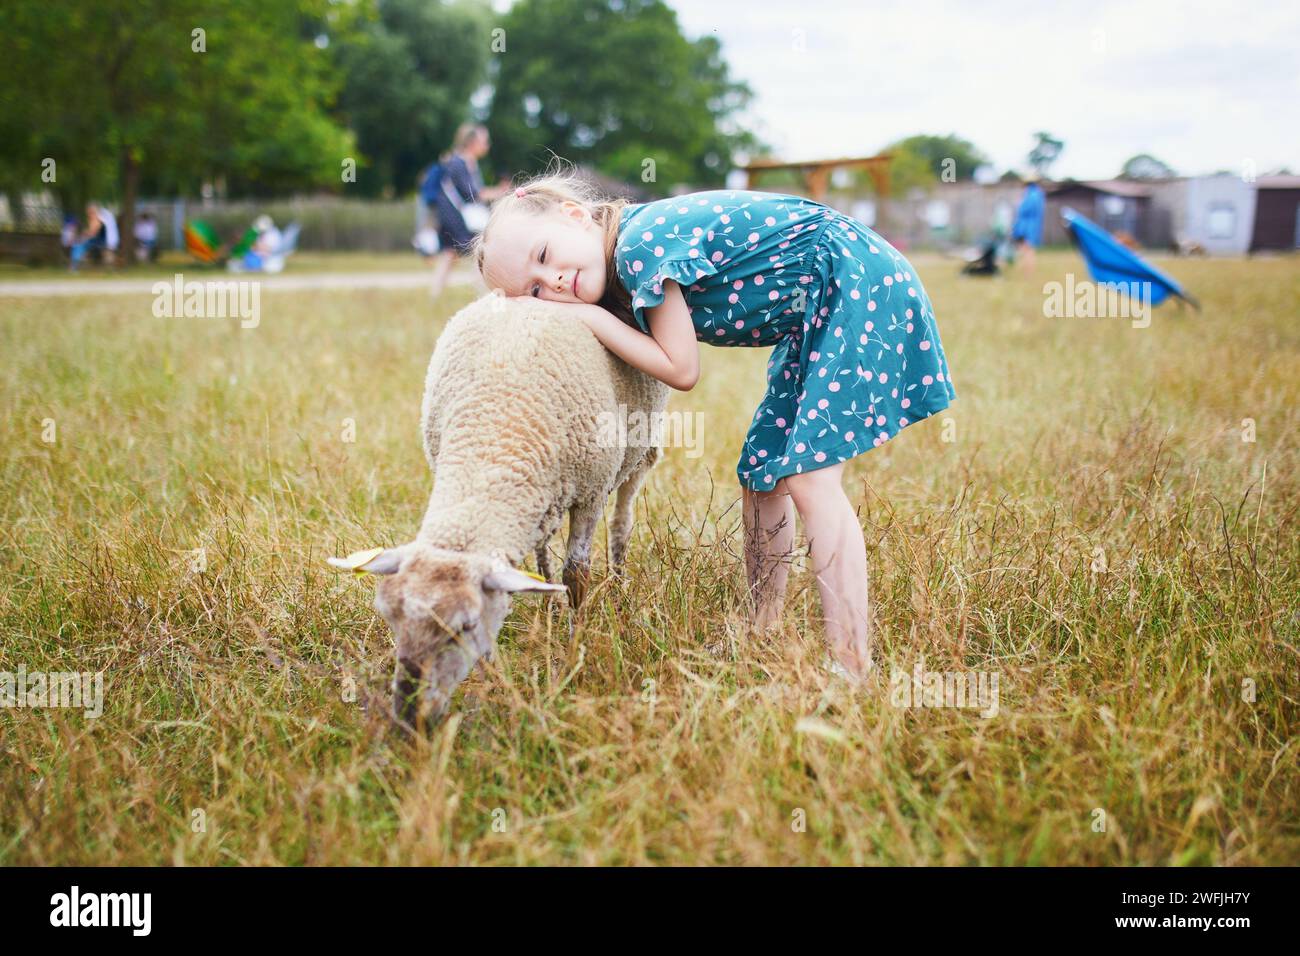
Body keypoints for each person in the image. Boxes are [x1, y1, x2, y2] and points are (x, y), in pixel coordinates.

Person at [473, 167, 957, 682]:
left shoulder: (639, 246)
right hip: (819, 305)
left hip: (853, 278)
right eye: (536, 291)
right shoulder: (618, 260)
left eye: (545, 257)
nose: (554, 283)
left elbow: (681, 370)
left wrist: (590, 318)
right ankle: (762, 628)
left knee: (811, 478)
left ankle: (852, 662)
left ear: (575, 216)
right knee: (763, 474)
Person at [427, 123, 510, 299]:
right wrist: (499, 191)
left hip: (449, 214)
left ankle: (434, 296)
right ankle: (482, 296)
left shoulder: (461, 162)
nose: (487, 145)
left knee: (449, 254)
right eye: (484, 141)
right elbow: (472, 194)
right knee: (478, 252)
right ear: (473, 142)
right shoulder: (460, 163)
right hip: (455, 216)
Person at [1011, 173, 1045, 274]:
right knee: (1026, 249)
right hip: (1033, 226)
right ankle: (1026, 271)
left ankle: (1028, 272)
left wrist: (1019, 204)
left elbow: (1023, 210)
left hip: (1026, 226)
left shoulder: (1031, 194)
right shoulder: (1038, 194)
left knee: (1027, 249)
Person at [69, 202, 118, 270]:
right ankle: (75, 265)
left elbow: (93, 232)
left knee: (78, 244)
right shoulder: (104, 214)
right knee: (80, 243)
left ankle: (74, 267)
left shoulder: (99, 216)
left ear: (92, 211)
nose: (88, 215)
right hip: (107, 240)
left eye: (89, 213)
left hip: (105, 241)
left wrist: (81, 235)